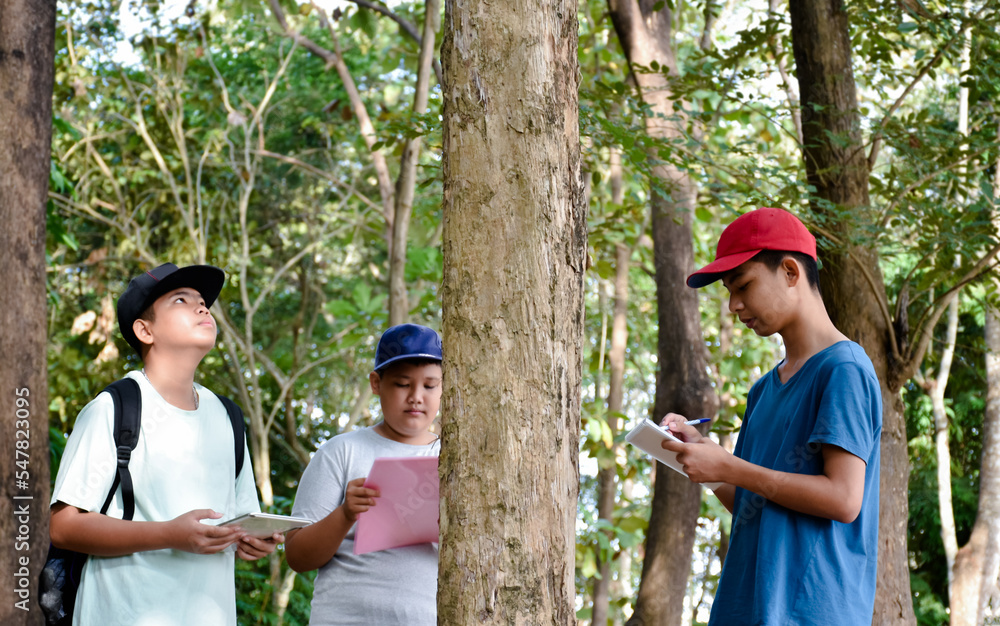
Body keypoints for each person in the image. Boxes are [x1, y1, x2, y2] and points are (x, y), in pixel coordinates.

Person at [661, 208, 882, 625]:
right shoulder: (762, 390)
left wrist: (731, 466)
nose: (733, 305)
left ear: (790, 271)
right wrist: (697, 456)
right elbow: (752, 501)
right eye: (728, 291)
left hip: (810, 613)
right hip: (743, 609)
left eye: (743, 285)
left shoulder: (844, 370)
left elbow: (844, 498)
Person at [49, 263, 280, 626]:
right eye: (181, 300)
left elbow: (235, 523)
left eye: (203, 301)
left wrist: (249, 541)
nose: (202, 308)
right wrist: (169, 534)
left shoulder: (229, 418)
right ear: (145, 330)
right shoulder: (115, 407)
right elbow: (63, 526)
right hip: (121, 615)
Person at [285, 323, 443, 625]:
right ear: (376, 383)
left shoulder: (455, 461)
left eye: (429, 385)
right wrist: (346, 513)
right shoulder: (341, 452)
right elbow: (297, 556)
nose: (416, 396)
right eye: (401, 384)